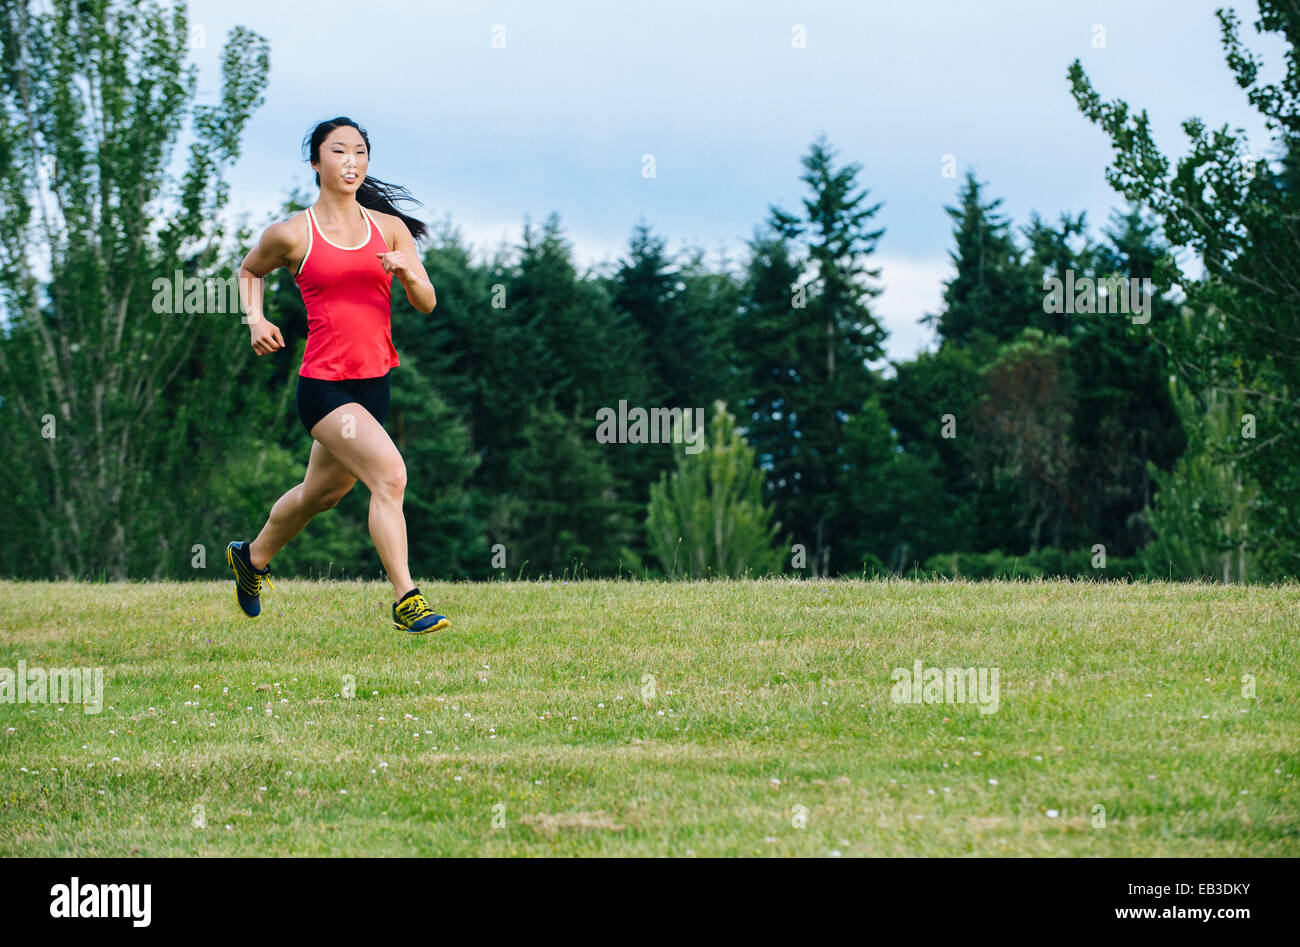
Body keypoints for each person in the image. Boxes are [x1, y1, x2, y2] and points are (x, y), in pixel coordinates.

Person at [226, 116, 450, 635]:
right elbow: (248, 271)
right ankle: (406, 599)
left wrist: (410, 272)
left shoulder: (388, 229)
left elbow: (427, 303)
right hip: (324, 386)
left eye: (360, 153)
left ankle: (251, 558)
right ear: (316, 163)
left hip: (375, 383)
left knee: (319, 496)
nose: (351, 162)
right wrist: (255, 318)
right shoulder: (291, 233)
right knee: (390, 476)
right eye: (339, 152)